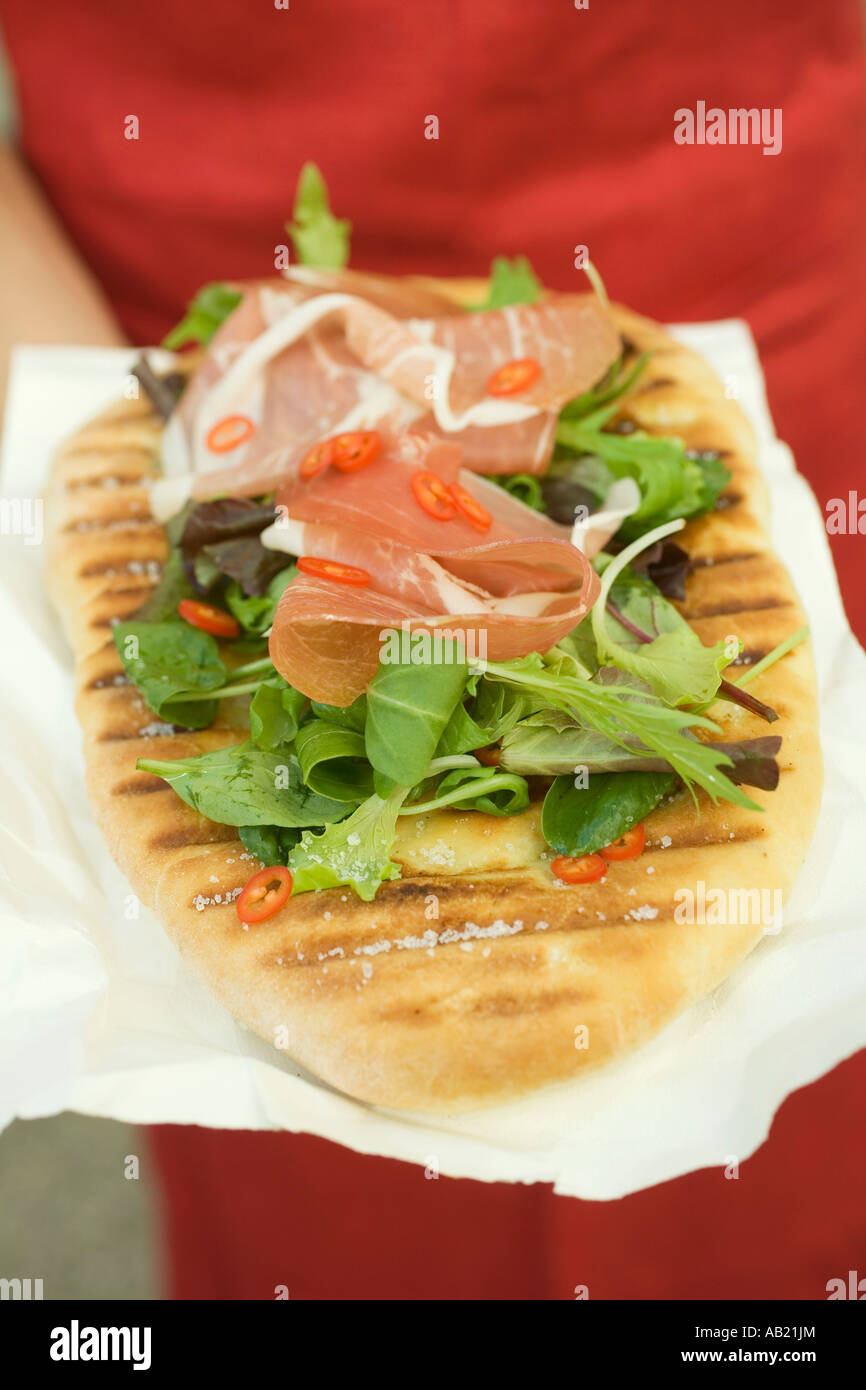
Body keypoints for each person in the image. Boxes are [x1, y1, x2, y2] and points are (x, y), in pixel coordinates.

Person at [2, 0, 864, 1299]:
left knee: (775, 1183)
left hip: (749, 361)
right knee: (331, 1215)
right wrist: (74, 404)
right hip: (184, 371)